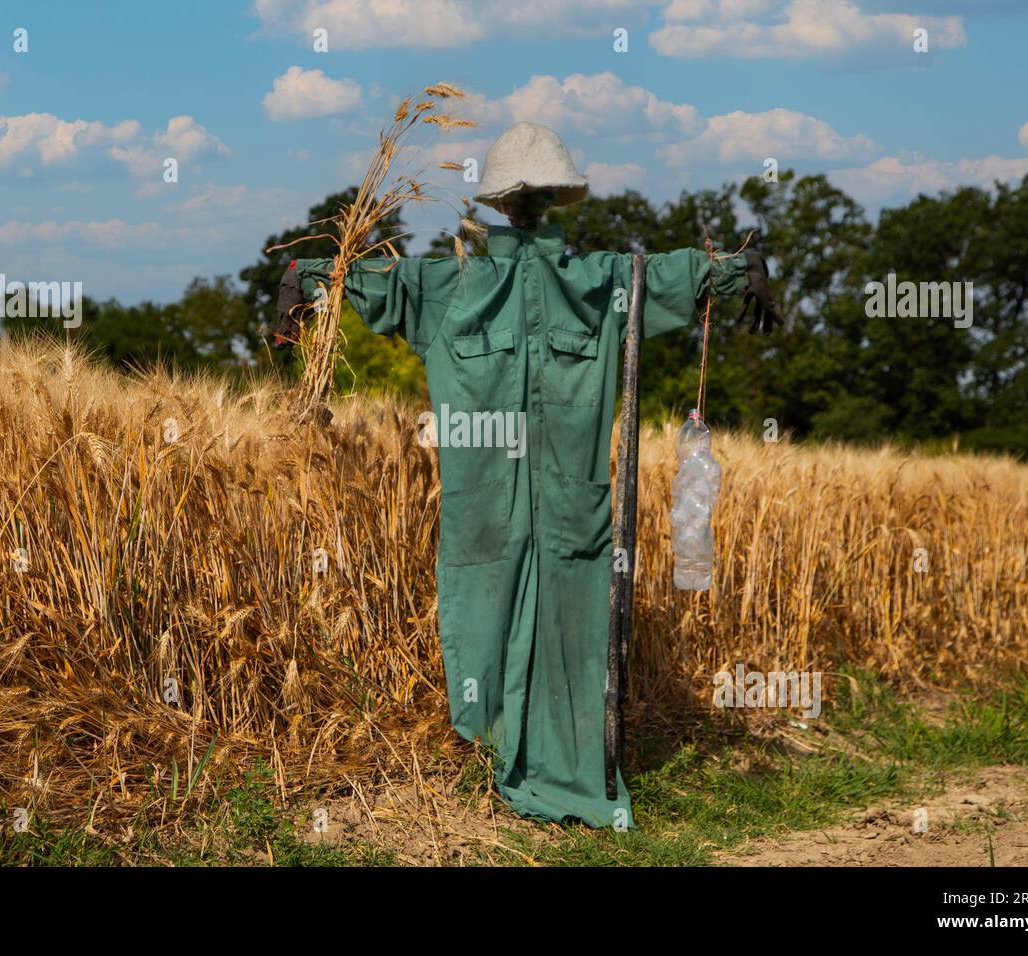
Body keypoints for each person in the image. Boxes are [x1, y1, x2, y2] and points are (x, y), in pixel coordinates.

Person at [278, 121, 779, 827]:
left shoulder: (579, 282)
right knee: (488, 631)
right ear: (544, 201)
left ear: (497, 204)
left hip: (569, 511)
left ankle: (569, 767)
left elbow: (362, 280)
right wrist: (736, 270)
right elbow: (682, 273)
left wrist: (306, 279)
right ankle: (508, 756)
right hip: (488, 515)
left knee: (575, 632)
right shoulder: (482, 285)